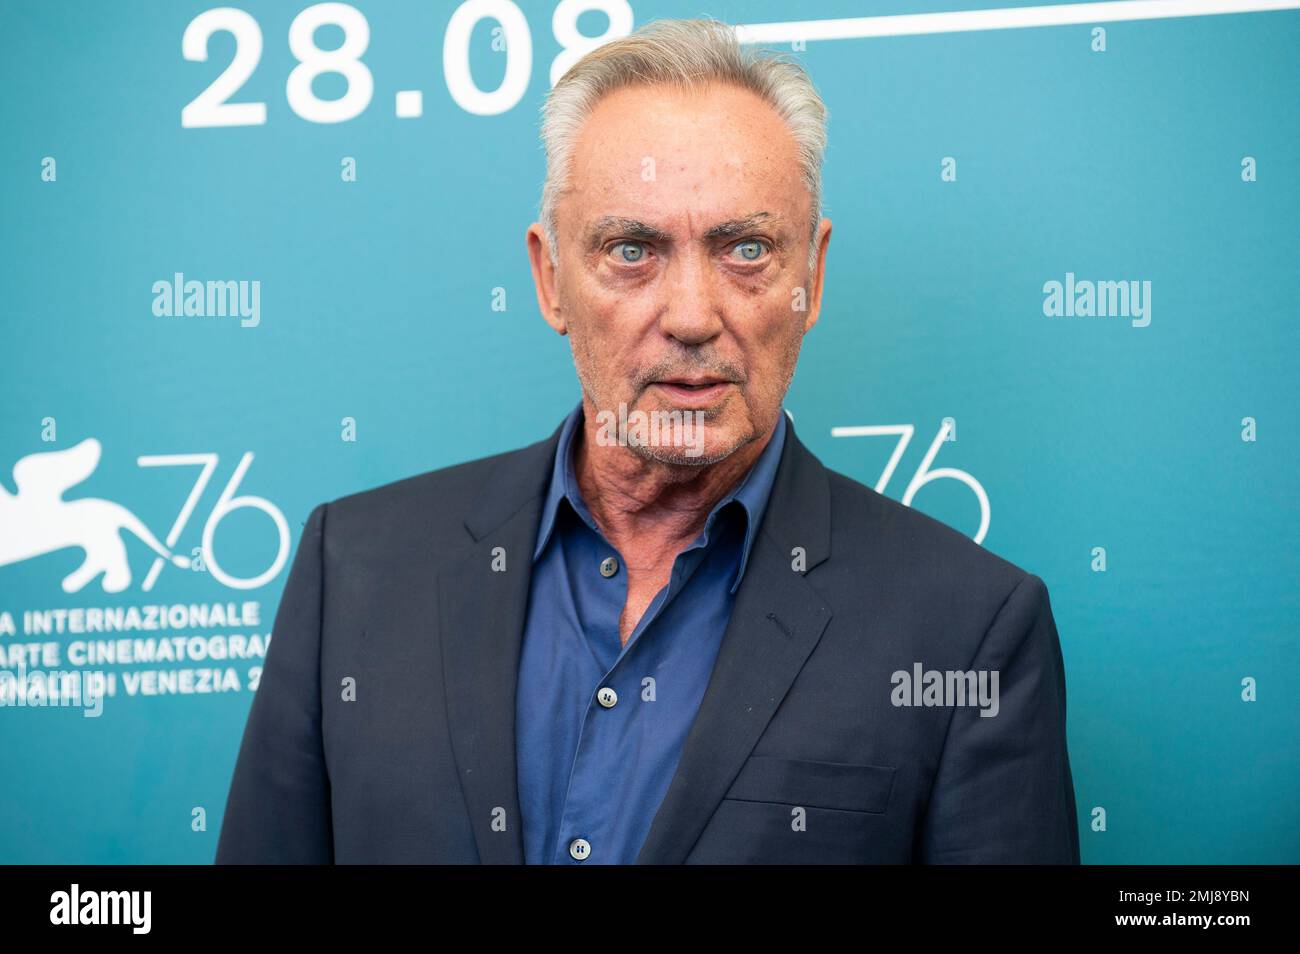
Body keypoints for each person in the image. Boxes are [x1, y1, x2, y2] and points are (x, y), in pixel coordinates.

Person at [216, 17, 1079, 865]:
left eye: (747, 249)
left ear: (810, 279)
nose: (693, 316)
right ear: (551, 279)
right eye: (632, 250)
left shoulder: (968, 630)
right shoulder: (355, 570)